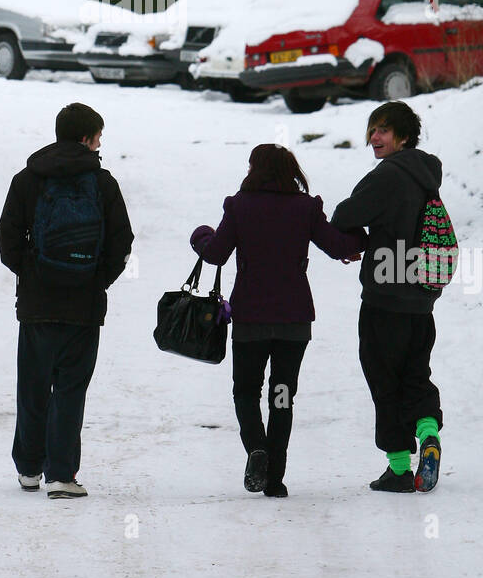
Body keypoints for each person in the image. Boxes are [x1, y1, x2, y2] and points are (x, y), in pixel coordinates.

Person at [190, 145, 364, 497]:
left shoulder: (239, 206)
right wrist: (360, 239)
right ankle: (275, 478)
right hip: (294, 322)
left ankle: (256, 448)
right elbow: (337, 246)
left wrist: (201, 235)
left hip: (251, 320)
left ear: (254, 169)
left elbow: (216, 253)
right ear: (290, 171)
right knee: (282, 395)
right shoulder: (305, 208)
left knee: (246, 391)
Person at [0, 102, 133, 499]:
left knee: (33, 384)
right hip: (84, 306)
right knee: (71, 388)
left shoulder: (28, 178)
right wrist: (96, 280)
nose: (100, 145)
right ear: (88, 138)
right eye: (99, 137)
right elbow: (122, 242)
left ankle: (28, 468)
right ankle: (61, 474)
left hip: (38, 304)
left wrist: (31, 271)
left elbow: (8, 238)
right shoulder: (104, 184)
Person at [330, 101, 444, 494]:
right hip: (421, 301)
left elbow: (344, 215)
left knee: (384, 379)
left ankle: (398, 469)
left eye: (383, 130)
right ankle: (429, 434)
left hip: (384, 299)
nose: (374, 138)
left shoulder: (388, 176)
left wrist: (359, 237)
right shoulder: (427, 174)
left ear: (404, 136)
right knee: (416, 374)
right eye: (372, 130)